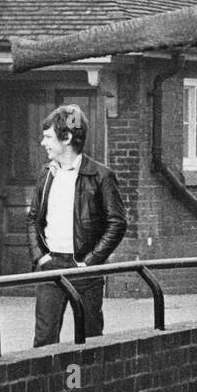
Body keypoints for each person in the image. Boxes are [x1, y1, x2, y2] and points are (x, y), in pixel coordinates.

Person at [27, 105, 127, 346]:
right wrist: (40, 257)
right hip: (51, 267)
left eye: (48, 136)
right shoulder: (46, 173)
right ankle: (48, 384)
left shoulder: (101, 176)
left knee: (89, 338)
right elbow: (33, 218)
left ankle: (87, 384)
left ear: (67, 137)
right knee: (44, 339)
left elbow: (117, 222)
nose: (43, 142)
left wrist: (90, 261)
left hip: (85, 269)